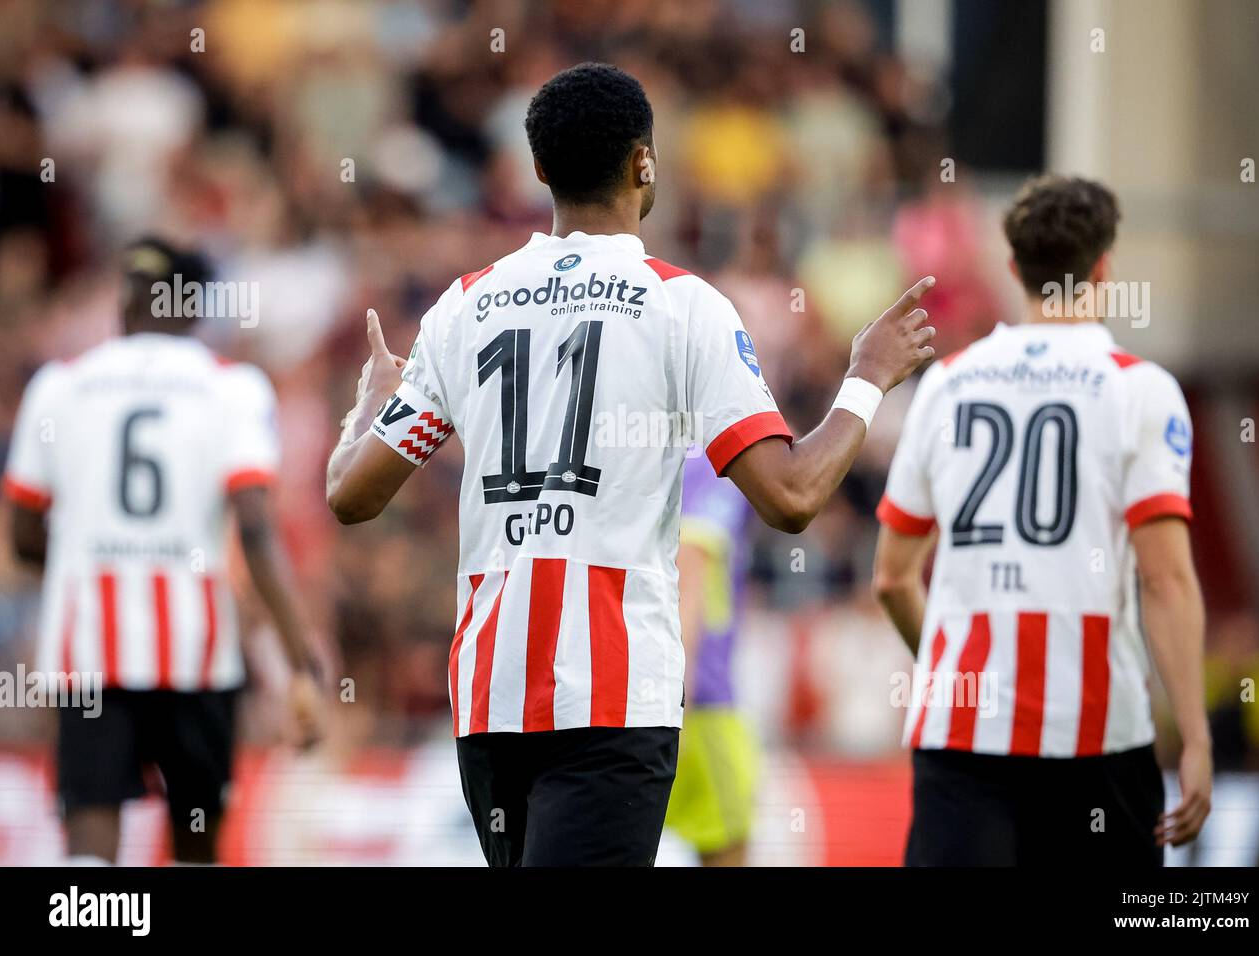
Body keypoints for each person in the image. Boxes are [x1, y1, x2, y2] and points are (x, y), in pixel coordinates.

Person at [326, 62, 935, 867]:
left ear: (540, 170)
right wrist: (865, 379)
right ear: (645, 162)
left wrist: (367, 405)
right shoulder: (684, 305)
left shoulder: (465, 304)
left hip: (489, 697)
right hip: (612, 697)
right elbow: (790, 497)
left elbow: (350, 496)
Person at [872, 175, 1212, 866]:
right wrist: (1199, 736)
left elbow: (891, 579)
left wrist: (953, 671)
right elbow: (1166, 580)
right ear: (1105, 267)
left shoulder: (947, 382)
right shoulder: (1138, 389)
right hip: (1094, 740)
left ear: (1012, 268)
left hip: (961, 740)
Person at [3, 238, 321, 864]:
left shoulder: (60, 386)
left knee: (91, 832)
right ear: (191, 309)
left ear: (125, 300)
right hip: (196, 652)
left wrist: (80, 563)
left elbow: (21, 534)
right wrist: (299, 659)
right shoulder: (231, 388)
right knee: (196, 838)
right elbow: (254, 529)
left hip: (89, 648)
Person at [663, 453, 762, 866]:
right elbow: (691, 566)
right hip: (700, 704)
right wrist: (676, 701)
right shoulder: (710, 457)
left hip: (640, 689)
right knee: (727, 847)